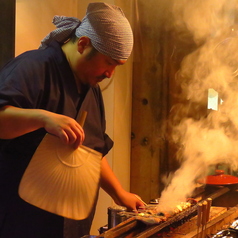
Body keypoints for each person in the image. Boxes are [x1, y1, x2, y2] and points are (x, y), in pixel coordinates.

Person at [0, 2, 144, 238]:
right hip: (23, 219)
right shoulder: (34, 67)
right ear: (83, 44)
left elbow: (92, 153)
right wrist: (43, 118)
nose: (110, 74)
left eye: (116, 66)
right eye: (109, 62)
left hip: (72, 225)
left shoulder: (90, 88)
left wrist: (119, 193)